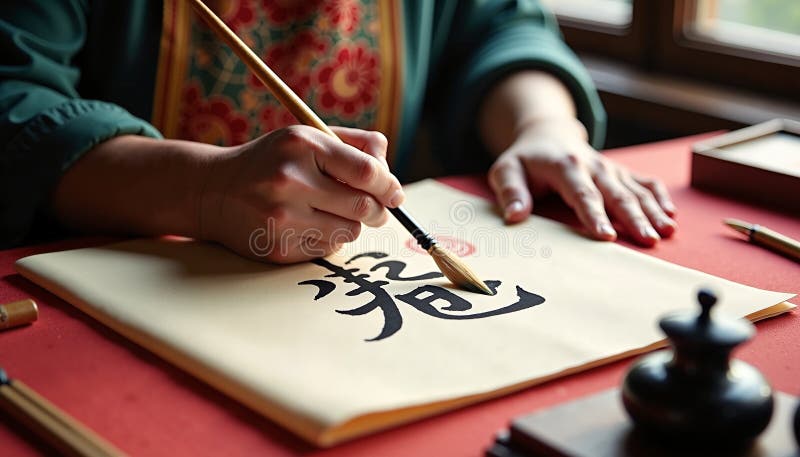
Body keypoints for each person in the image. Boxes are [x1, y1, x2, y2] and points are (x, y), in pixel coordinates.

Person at [0, 0, 676, 262]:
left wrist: (544, 123)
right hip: (113, 293)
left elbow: (495, 24)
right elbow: (11, 88)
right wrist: (203, 189)